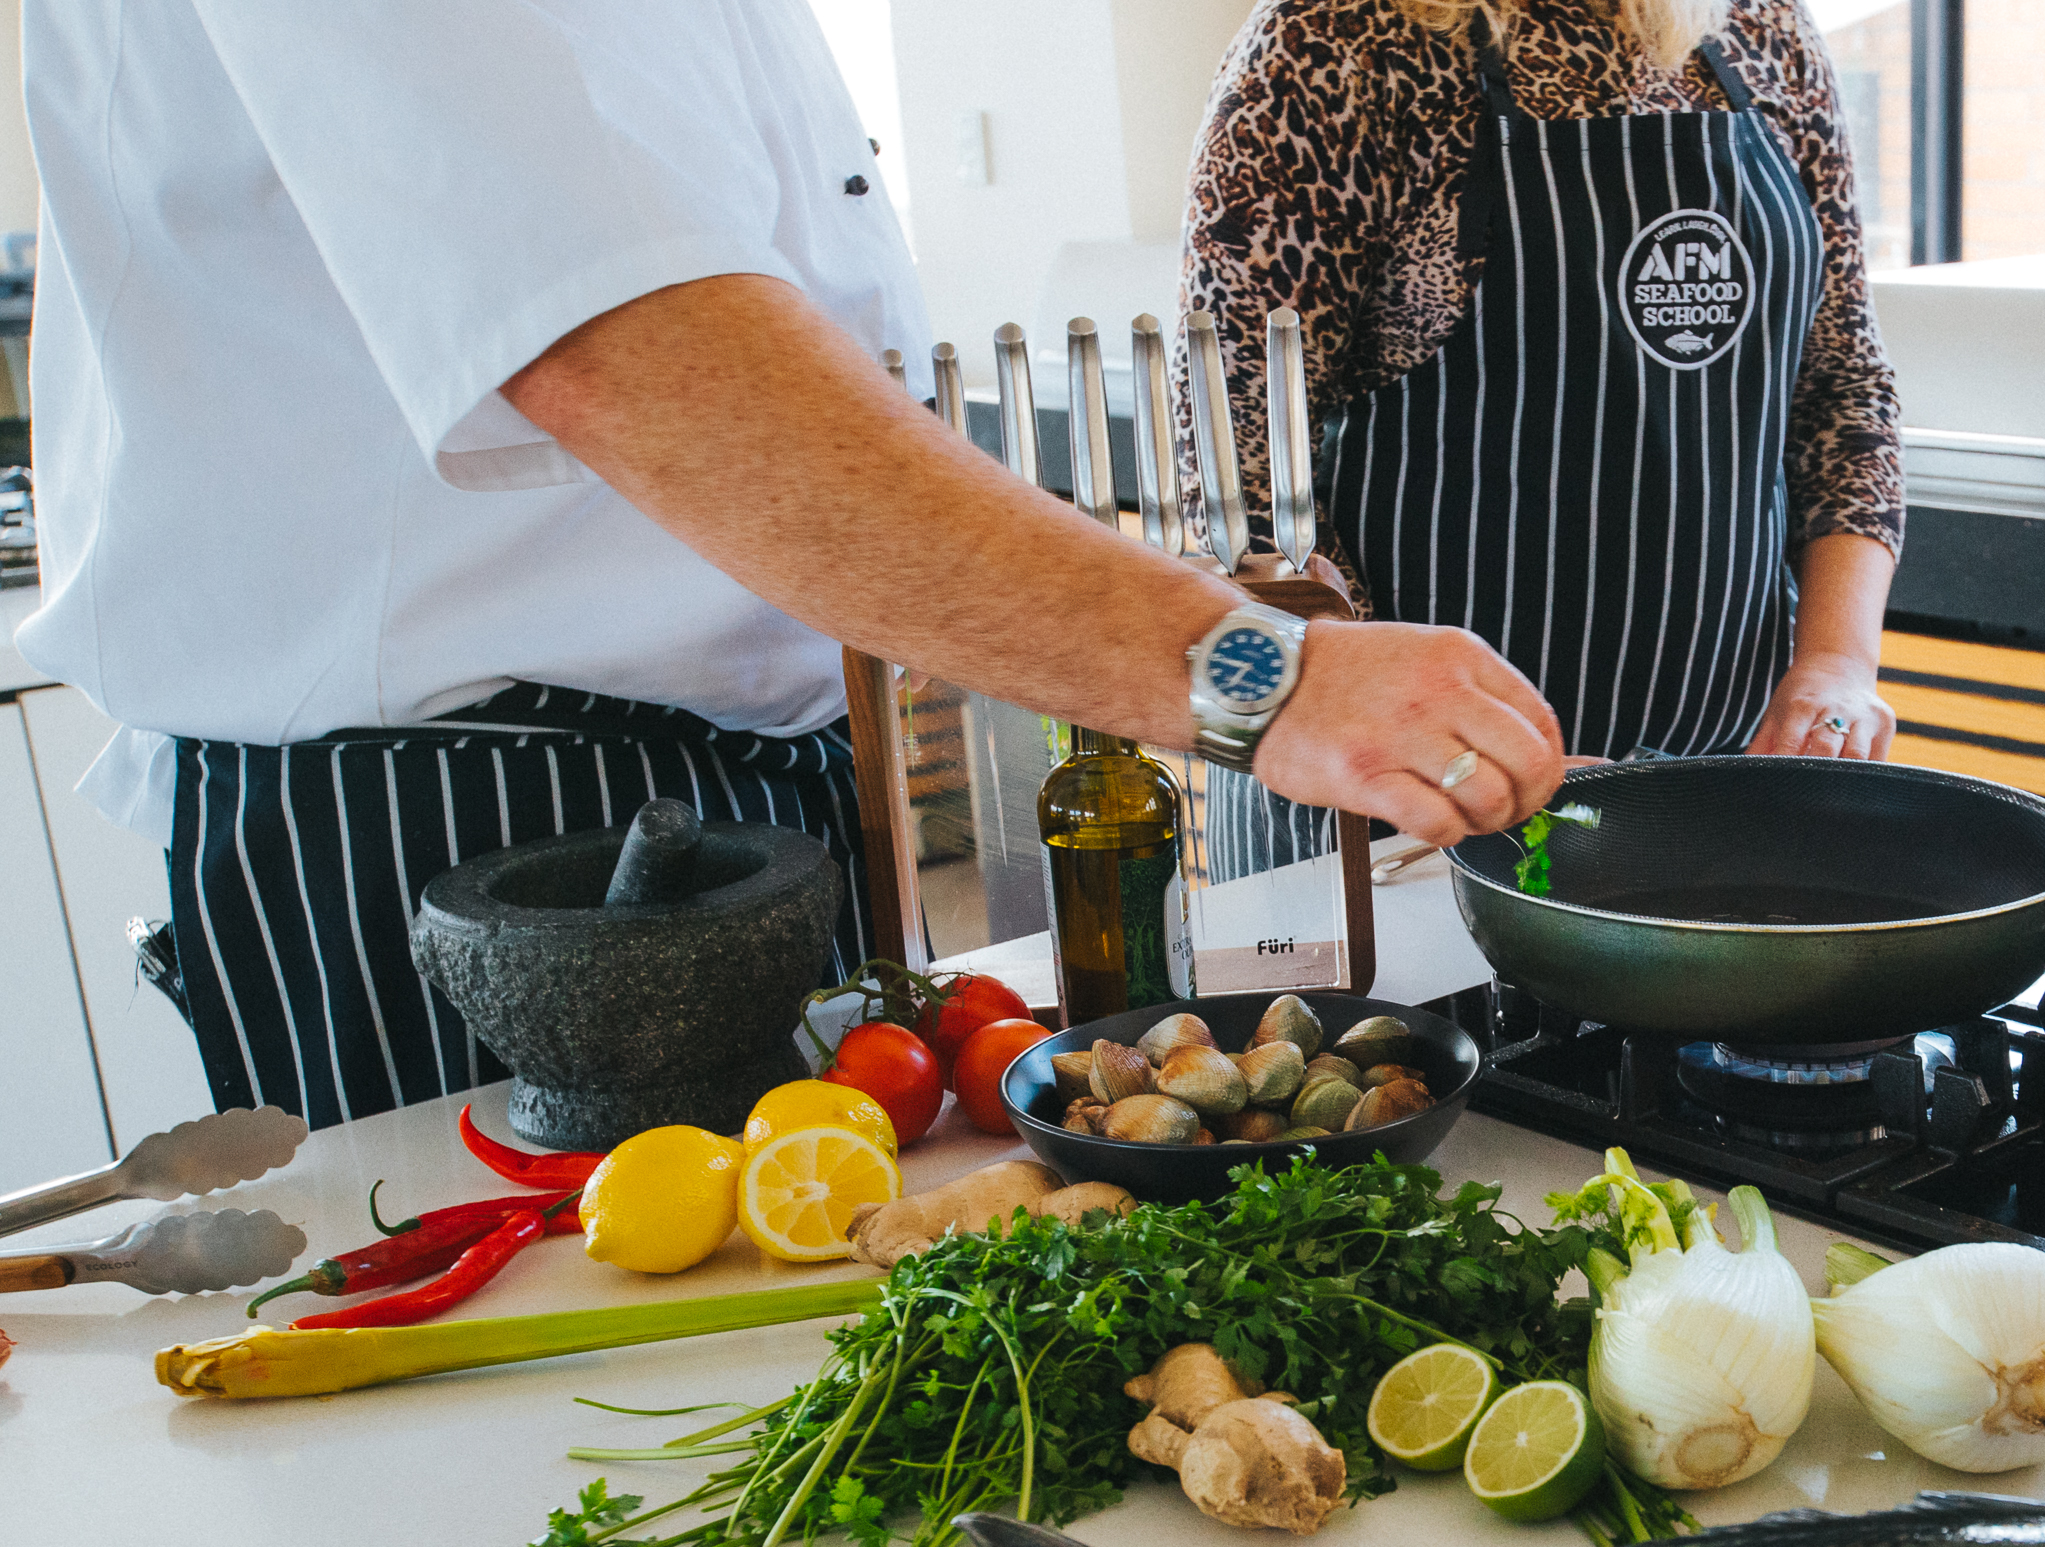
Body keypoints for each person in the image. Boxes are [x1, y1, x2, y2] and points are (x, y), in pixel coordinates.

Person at [21, 0, 1565, 1129]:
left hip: (731, 803)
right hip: (475, 833)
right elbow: (632, 347)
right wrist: (1251, 673)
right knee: (554, 1474)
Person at [1180, 0, 1904, 806]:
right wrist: (1398, 723)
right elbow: (1228, 471)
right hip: (1399, 791)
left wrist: (1836, 667)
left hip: (1724, 774)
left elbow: (1845, 396)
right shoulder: (1334, 39)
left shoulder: (1765, 30)